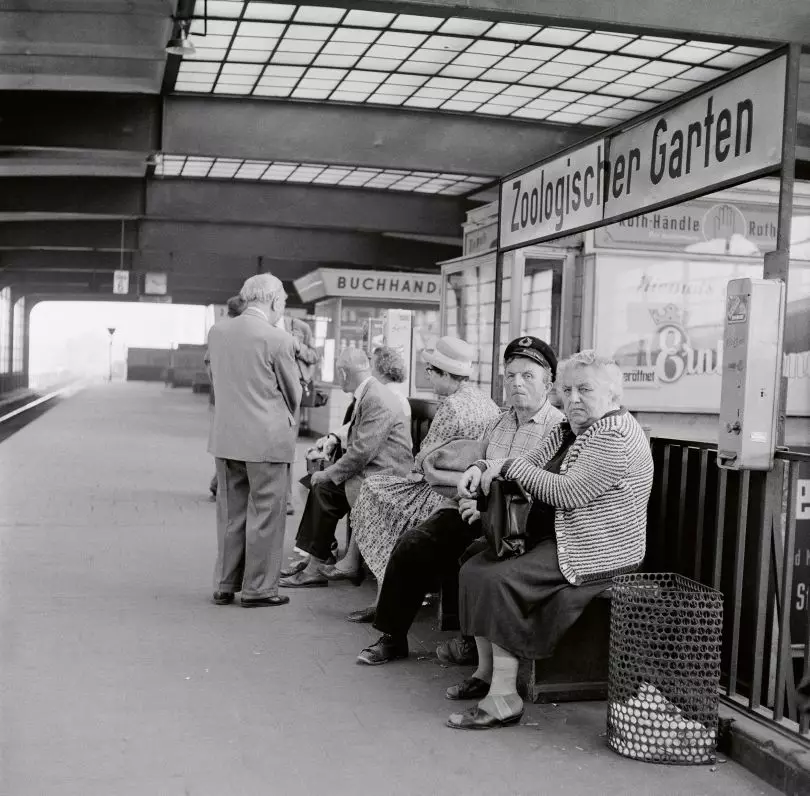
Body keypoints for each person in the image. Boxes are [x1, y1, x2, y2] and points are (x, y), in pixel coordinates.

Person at [444, 350, 654, 730]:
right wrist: (481, 466)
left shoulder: (615, 436)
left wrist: (508, 467)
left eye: (585, 390)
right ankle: (487, 673)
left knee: (496, 578)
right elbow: (533, 461)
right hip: (566, 536)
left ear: (613, 395)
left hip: (597, 548)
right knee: (474, 564)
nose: (573, 399)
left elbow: (568, 493)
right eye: (567, 390)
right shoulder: (571, 430)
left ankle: (504, 697)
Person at [356, 336, 563, 666]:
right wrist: (471, 496)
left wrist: (483, 507)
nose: (517, 384)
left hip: (519, 527)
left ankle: (468, 642)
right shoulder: (499, 422)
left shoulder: (557, 428)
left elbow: (539, 492)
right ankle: (393, 637)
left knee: (471, 556)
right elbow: (477, 470)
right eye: (510, 376)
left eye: (528, 376)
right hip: (477, 512)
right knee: (414, 543)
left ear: (548, 383)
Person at [324, 337, 499, 624]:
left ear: (445, 374)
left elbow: (423, 459)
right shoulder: (485, 401)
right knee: (379, 491)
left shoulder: (452, 406)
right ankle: (366, 578)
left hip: (440, 490)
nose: (428, 376)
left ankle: (376, 589)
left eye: (431, 370)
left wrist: (410, 474)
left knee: (375, 490)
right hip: (466, 488)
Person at [280, 347, 413, 589]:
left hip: (384, 477)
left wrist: (329, 472)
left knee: (322, 487)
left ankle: (315, 566)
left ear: (342, 373)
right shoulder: (371, 392)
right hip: (376, 471)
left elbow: (362, 452)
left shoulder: (376, 398)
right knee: (320, 486)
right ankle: (316, 561)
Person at [206, 273, 301, 608]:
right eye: (284, 302)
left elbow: (215, 383)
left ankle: (224, 583)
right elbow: (294, 394)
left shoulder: (217, 332)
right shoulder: (278, 339)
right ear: (275, 300)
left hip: (226, 437)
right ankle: (258, 589)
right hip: (267, 442)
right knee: (266, 515)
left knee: (231, 513)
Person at [276, 313, 320, 515]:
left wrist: (298, 347)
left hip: (292, 392)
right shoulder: (261, 326)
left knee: (286, 447)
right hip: (268, 392)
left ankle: (285, 500)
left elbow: (315, 356)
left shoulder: (299, 327)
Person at [209, 295, 246, 499]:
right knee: (236, 443)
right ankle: (222, 484)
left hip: (224, 396)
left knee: (224, 441)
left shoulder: (219, 330)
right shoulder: (243, 332)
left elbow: (210, 364)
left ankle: (218, 482)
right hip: (241, 397)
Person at [371, 346, 411, 419]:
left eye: (372, 366)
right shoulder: (394, 394)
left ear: (382, 370)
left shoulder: (388, 397)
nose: (369, 371)